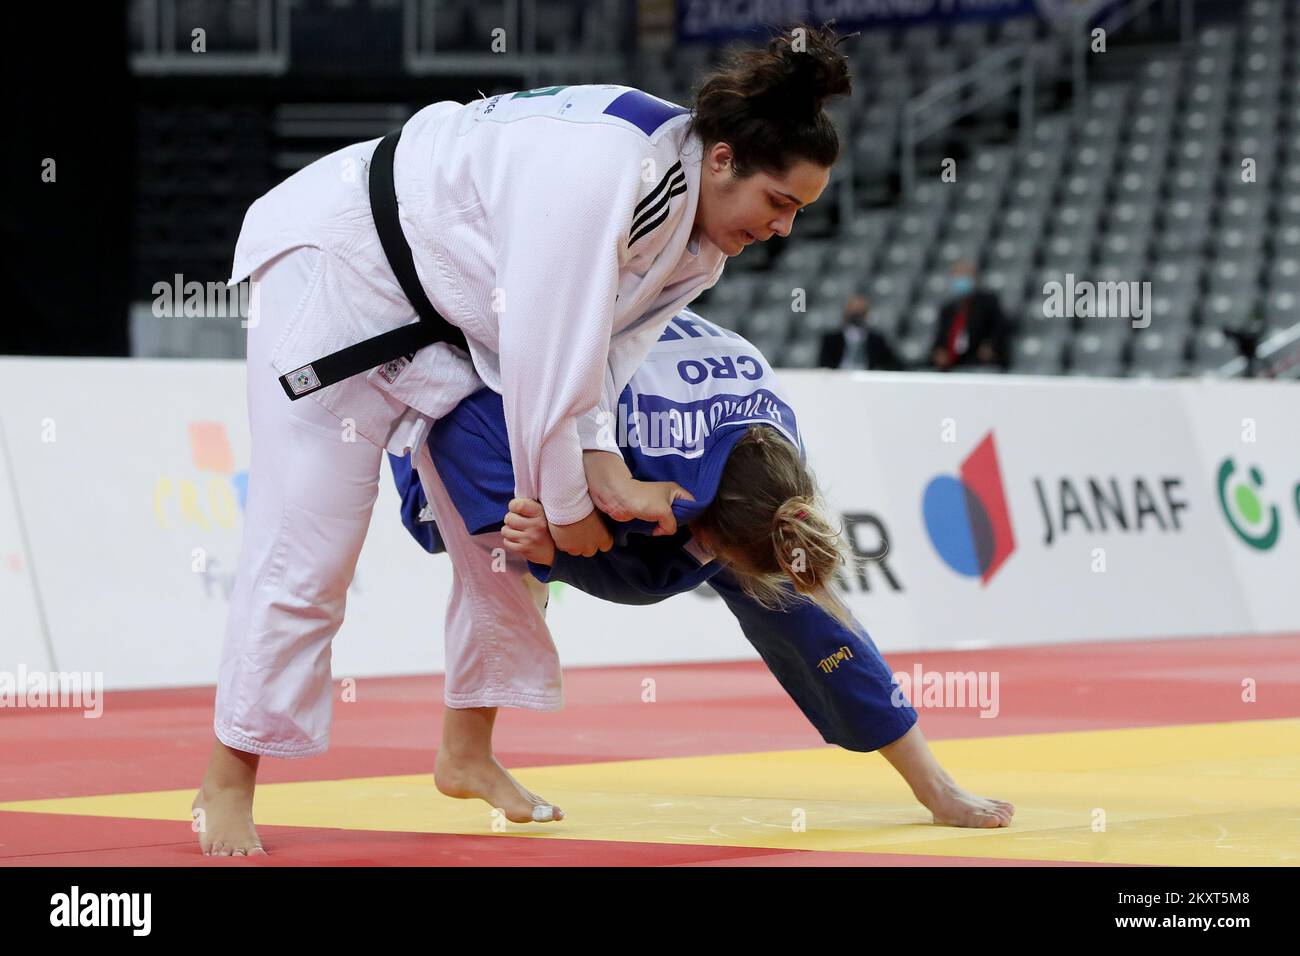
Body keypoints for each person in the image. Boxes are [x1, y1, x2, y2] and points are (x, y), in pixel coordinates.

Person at [194, 23, 856, 856]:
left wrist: (603, 472)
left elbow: (602, 359)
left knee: (507, 539)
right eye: (780, 203)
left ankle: (465, 753)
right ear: (722, 160)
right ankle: (226, 783)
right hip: (338, 276)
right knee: (310, 553)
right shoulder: (614, 176)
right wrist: (574, 507)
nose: (783, 229)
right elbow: (549, 354)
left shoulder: (695, 243)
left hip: (452, 316)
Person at [391, 307, 1016, 831]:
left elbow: (662, 572)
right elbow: (639, 581)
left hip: (621, 401)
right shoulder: (658, 465)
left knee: (801, 603)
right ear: (697, 519)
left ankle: (932, 783)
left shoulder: (773, 453)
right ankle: (465, 753)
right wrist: (551, 549)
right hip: (472, 389)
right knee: (505, 545)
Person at [929, 260, 1009, 371]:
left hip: (979, 360)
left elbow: (1000, 328)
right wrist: (939, 353)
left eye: (964, 276)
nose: (960, 280)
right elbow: (940, 339)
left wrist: (991, 347)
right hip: (952, 363)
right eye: (957, 276)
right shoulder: (948, 309)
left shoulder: (987, 302)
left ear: (974, 278)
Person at [818, 294, 903, 370]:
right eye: (853, 311)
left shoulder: (877, 340)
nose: (856, 315)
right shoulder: (831, 340)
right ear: (845, 313)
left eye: (861, 311)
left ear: (866, 314)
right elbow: (824, 364)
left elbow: (893, 364)